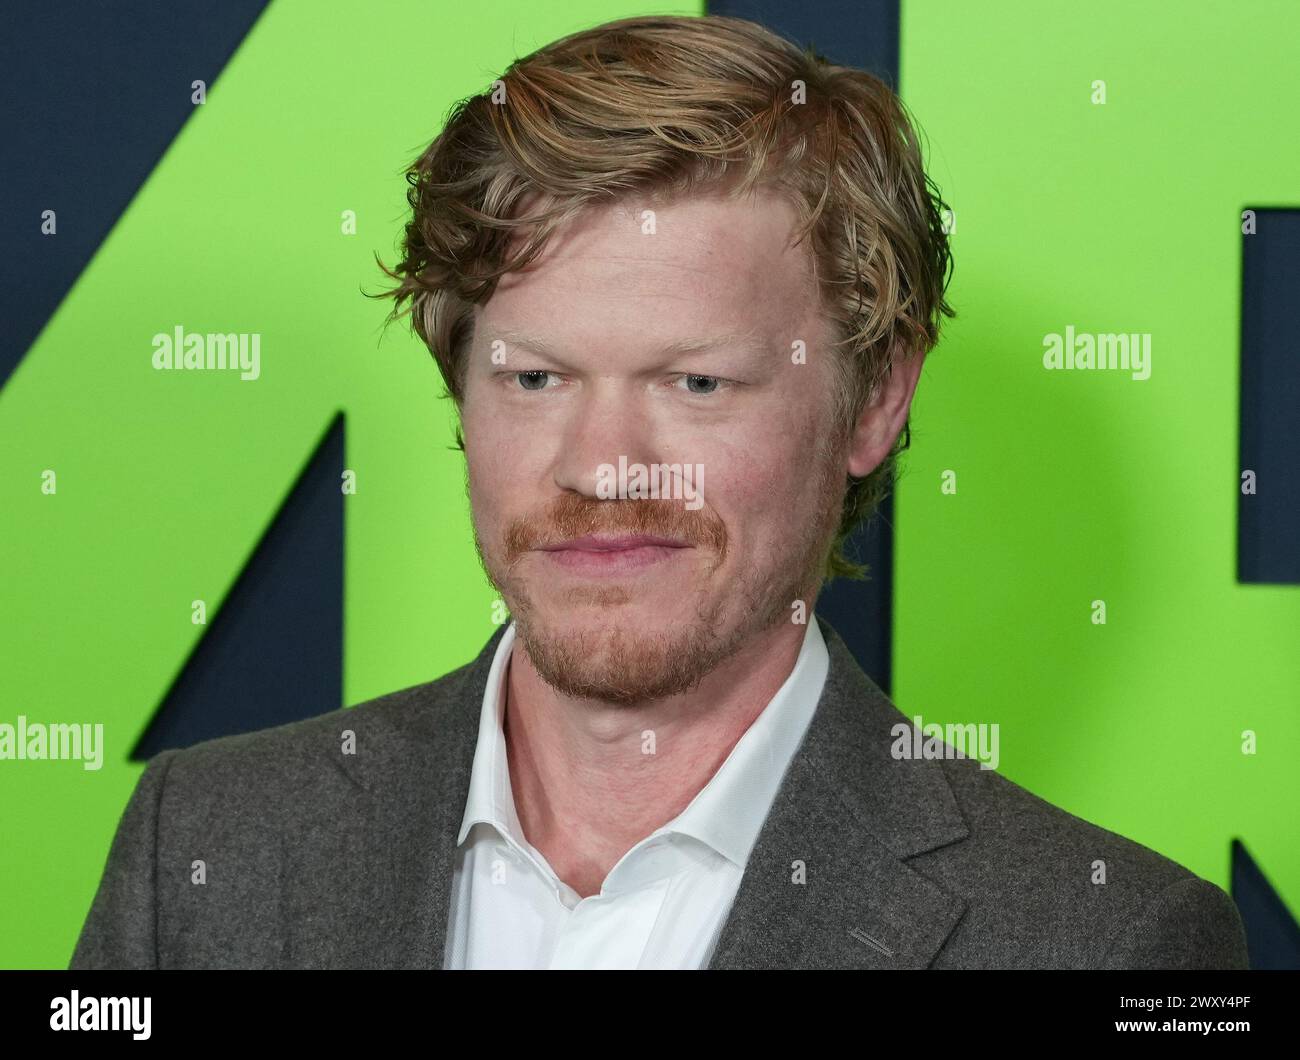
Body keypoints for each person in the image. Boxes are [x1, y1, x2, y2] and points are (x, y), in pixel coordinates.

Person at [70, 14, 1248, 970]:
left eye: (695, 380)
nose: (604, 466)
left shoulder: (1109, 945)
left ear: (876, 399)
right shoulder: (206, 844)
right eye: (535, 376)